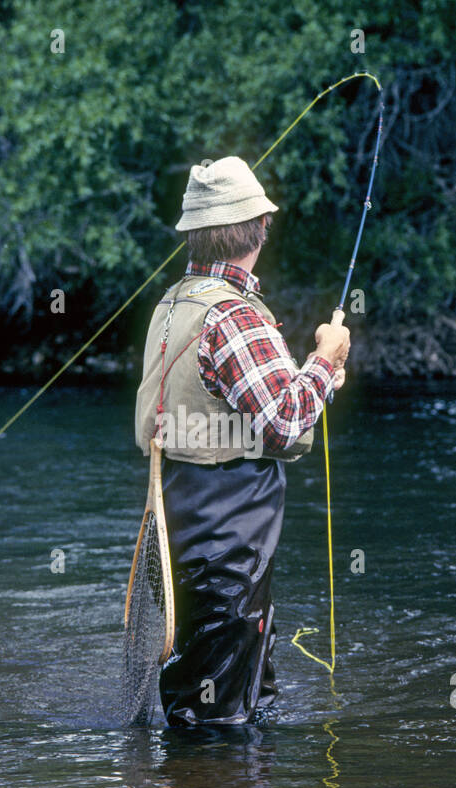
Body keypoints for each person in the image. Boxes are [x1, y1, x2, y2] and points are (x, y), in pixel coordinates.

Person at [134, 156, 350, 726]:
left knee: (224, 698)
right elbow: (285, 422)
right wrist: (325, 360)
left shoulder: (173, 303)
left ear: (194, 234)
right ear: (259, 230)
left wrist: (312, 374)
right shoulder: (234, 316)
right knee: (221, 721)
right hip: (227, 543)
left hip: (181, 524)